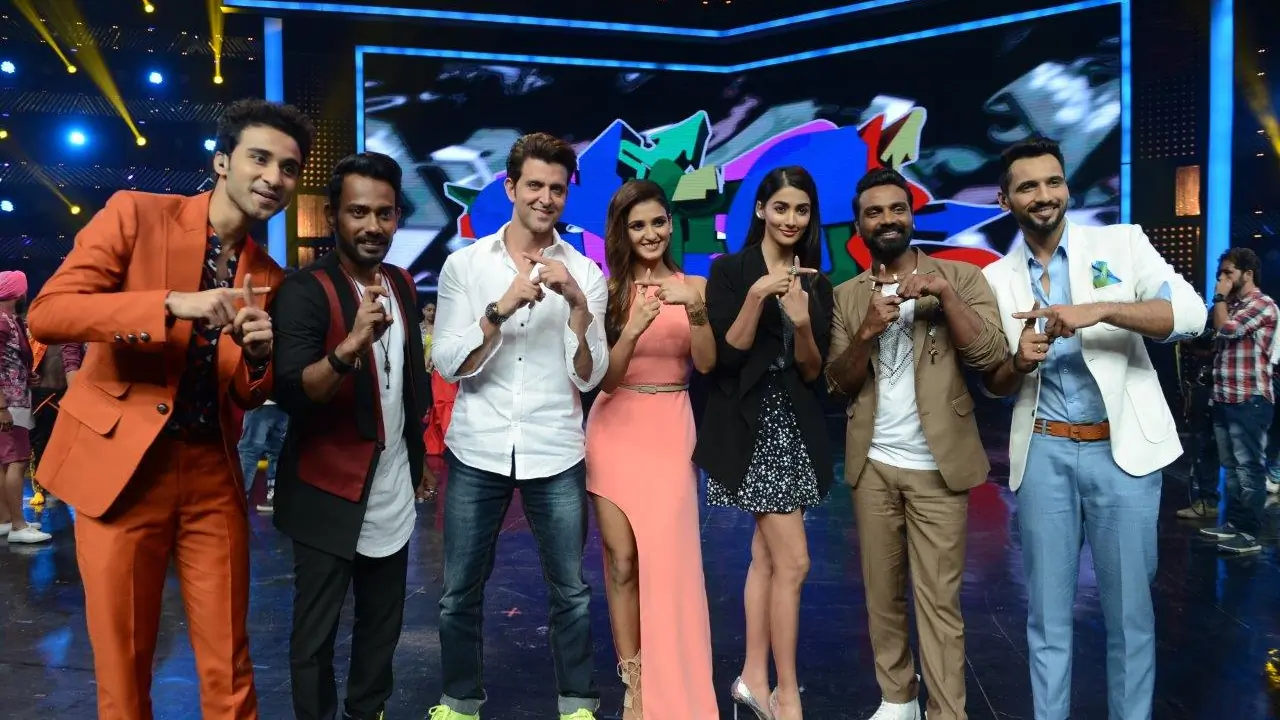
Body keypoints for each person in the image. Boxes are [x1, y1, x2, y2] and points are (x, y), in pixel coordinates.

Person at [27, 98, 302, 719]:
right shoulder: (137, 213)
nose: (273, 178)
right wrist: (169, 303)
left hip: (210, 471)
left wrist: (260, 358)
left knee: (230, 664)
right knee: (124, 664)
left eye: (288, 168)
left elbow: (247, 393)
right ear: (222, 161)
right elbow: (49, 313)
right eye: (259, 159)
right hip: (122, 469)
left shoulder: (269, 275)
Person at [980, 137, 1205, 720]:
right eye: (1028, 186)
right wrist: (1017, 362)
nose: (1044, 195)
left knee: (1131, 617)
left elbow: (1191, 315)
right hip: (1045, 453)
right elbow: (994, 384)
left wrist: (1100, 309)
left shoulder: (1121, 244)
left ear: (1066, 186)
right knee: (1046, 619)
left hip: (1122, 454)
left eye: (1053, 181)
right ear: (1005, 200)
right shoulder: (996, 279)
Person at [429, 132, 608, 720]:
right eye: (534, 185)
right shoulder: (465, 265)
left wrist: (578, 308)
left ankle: (577, 703)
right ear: (510, 187)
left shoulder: (585, 272)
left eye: (557, 188)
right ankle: (459, 702)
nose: (545, 198)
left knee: (571, 592)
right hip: (477, 446)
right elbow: (447, 363)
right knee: (459, 592)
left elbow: (590, 376)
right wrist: (499, 309)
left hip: (555, 449)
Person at [825, 168, 1007, 720]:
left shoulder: (960, 277)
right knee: (881, 596)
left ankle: (947, 712)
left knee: (939, 601)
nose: (887, 219)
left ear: (911, 215)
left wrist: (945, 295)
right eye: (874, 212)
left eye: (896, 209)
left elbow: (990, 356)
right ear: (859, 224)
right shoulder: (846, 296)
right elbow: (838, 383)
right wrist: (865, 332)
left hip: (937, 466)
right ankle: (898, 698)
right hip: (873, 465)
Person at [271, 151, 432, 719]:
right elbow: (295, 392)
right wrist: (348, 348)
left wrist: (417, 461)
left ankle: (369, 712)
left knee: (382, 627)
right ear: (333, 215)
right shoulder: (305, 290)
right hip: (326, 489)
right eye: (358, 212)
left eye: (384, 214)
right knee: (315, 637)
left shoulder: (402, 283)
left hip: (391, 486)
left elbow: (407, 383)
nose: (372, 226)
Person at [695, 166, 835, 720]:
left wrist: (801, 323)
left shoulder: (816, 282)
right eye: (781, 208)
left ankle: (753, 679)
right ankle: (787, 693)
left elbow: (812, 371)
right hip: (749, 426)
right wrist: (756, 295)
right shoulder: (729, 271)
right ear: (760, 210)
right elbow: (725, 359)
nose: (791, 219)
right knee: (794, 561)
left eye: (801, 210)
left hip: (794, 425)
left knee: (768, 559)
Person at [584, 179, 718, 719]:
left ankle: (677, 686)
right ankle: (635, 684)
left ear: (670, 224)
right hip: (614, 430)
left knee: (669, 564)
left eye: (657, 222)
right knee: (621, 562)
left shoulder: (695, 285)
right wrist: (632, 329)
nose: (649, 233)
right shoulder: (610, 292)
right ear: (622, 232)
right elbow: (606, 380)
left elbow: (706, 364)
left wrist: (697, 311)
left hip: (671, 427)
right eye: (637, 225)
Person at [1198, 248, 1277, 555]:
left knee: (1248, 468)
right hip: (1223, 396)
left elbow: (1227, 330)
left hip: (1250, 398)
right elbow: (1210, 337)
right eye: (1220, 273)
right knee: (1231, 468)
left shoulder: (1262, 304)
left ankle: (1250, 533)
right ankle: (1234, 524)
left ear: (1248, 274)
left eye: (1228, 273)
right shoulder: (1231, 306)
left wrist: (1219, 297)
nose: (1222, 278)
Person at [0, 271, 50, 544]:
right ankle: (19, 526)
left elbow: (9, 361)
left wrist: (26, 375)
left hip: (13, 397)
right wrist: (2, 408)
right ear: (16, 294)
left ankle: (6, 520)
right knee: (17, 461)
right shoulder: (3, 322)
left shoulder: (11, 321)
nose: (25, 295)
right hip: (10, 403)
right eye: (23, 291)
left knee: (4, 462)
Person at [237, 399, 288, 512]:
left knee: (249, 453)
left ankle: (239, 499)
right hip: (284, 404)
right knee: (277, 452)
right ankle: (275, 496)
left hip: (260, 403)